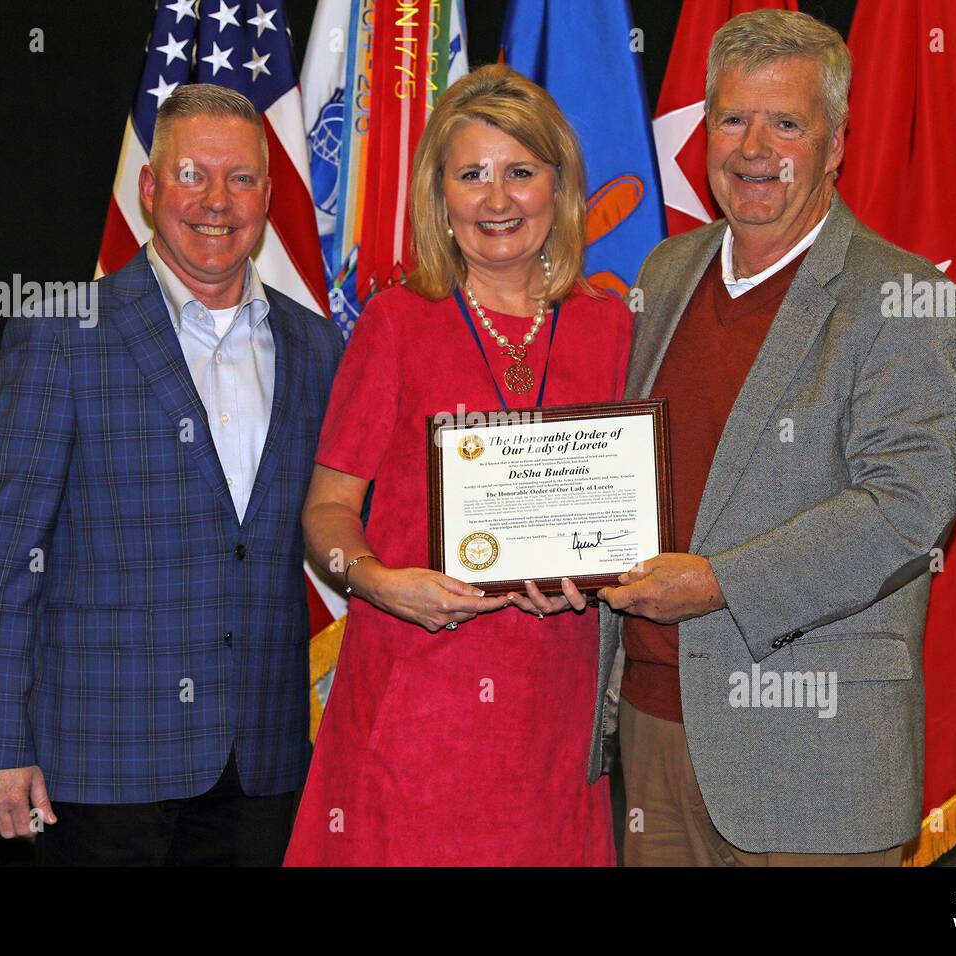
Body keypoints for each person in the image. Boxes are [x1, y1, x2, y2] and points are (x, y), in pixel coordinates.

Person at [593, 9, 956, 866]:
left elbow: (908, 509)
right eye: (733, 118)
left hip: (816, 756)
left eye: (786, 123)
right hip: (654, 734)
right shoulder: (664, 271)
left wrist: (719, 583)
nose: (754, 147)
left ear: (834, 145)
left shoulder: (902, 295)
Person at [0, 84, 343, 865]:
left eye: (239, 179)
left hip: (261, 764)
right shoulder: (63, 332)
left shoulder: (316, 348)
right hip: (100, 765)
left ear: (269, 195)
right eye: (192, 174)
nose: (216, 201)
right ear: (149, 188)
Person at [283, 65, 631, 866]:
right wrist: (377, 580)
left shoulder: (610, 328)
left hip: (555, 704)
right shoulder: (398, 323)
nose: (498, 199)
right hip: (416, 697)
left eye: (520, 172)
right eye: (471, 175)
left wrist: (607, 572)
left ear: (560, 186)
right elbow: (326, 514)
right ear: (440, 198)